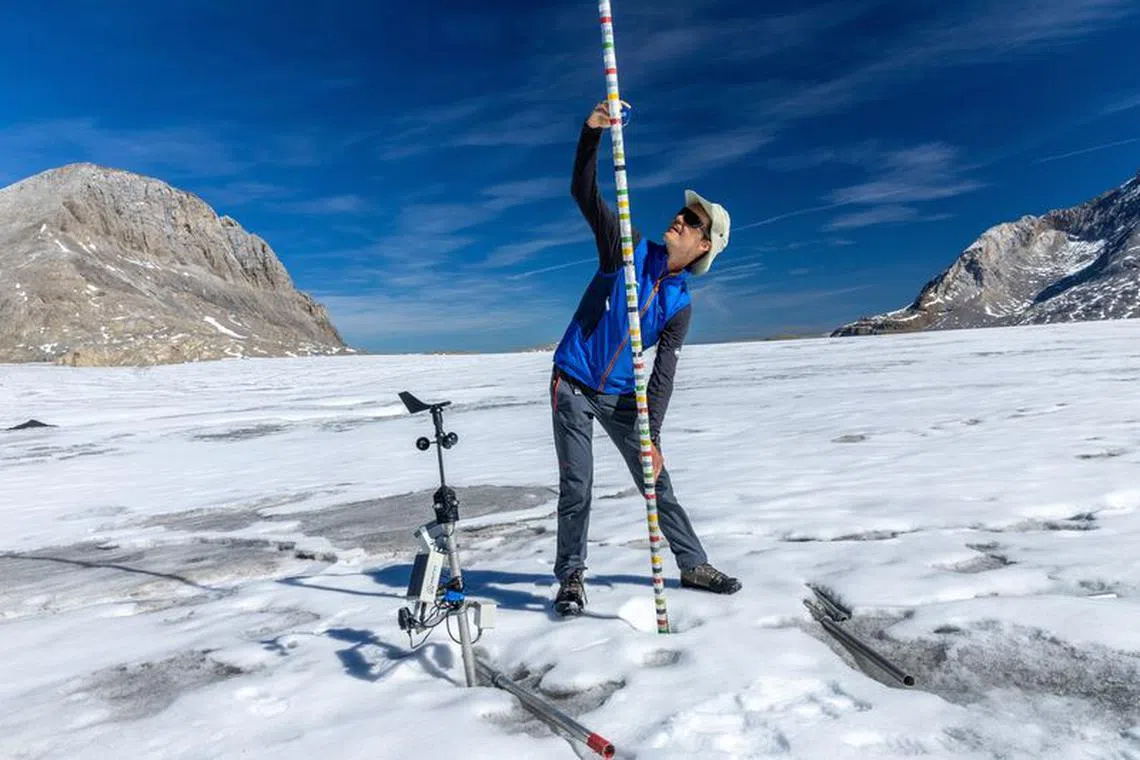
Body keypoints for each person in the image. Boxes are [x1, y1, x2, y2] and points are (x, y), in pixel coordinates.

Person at [548, 101, 741, 616]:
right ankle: (570, 578)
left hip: (619, 398)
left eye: (692, 220)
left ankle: (692, 563)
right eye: (684, 212)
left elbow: (662, 376)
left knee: (657, 477)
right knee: (578, 486)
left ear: (704, 246)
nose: (679, 217)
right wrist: (590, 135)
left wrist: (651, 438)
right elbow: (583, 194)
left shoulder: (680, 304)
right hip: (572, 382)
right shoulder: (626, 251)